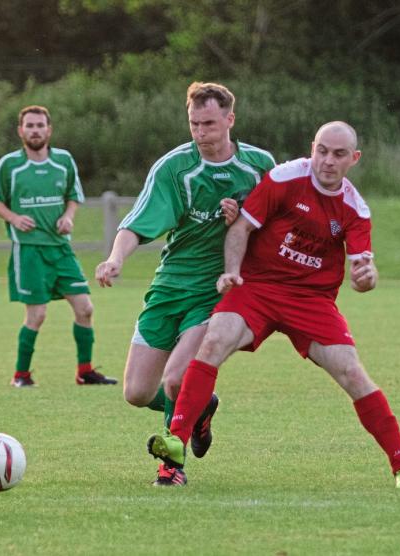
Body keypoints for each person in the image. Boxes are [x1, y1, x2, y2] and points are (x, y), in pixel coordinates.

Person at [147, 121, 400, 488]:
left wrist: (366, 278)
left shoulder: (355, 209)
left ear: (353, 159)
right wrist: (232, 272)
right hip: (258, 288)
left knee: (353, 374)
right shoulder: (284, 178)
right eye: (321, 150)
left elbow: (362, 268)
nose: (327, 160)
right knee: (214, 341)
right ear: (312, 148)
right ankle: (176, 446)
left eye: (339, 154)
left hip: (311, 301)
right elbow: (241, 228)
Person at [95, 82, 276, 486]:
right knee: (137, 393)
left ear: (230, 120)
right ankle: (198, 408)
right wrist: (114, 258)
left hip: (215, 291)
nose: (200, 132)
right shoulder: (174, 168)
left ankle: (171, 466)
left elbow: (279, 228)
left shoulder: (260, 166)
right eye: (194, 124)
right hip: (169, 285)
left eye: (209, 123)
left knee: (177, 378)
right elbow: (136, 223)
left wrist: (243, 219)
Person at [0, 105, 117, 388]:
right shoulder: (9, 165)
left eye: (40, 125)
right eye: (29, 126)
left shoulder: (63, 161)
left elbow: (74, 195)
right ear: (21, 131)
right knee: (37, 314)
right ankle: (21, 375)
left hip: (61, 249)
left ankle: (85, 371)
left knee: (85, 308)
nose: (35, 130)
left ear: (49, 129)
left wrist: (68, 216)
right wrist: (14, 218)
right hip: (29, 250)